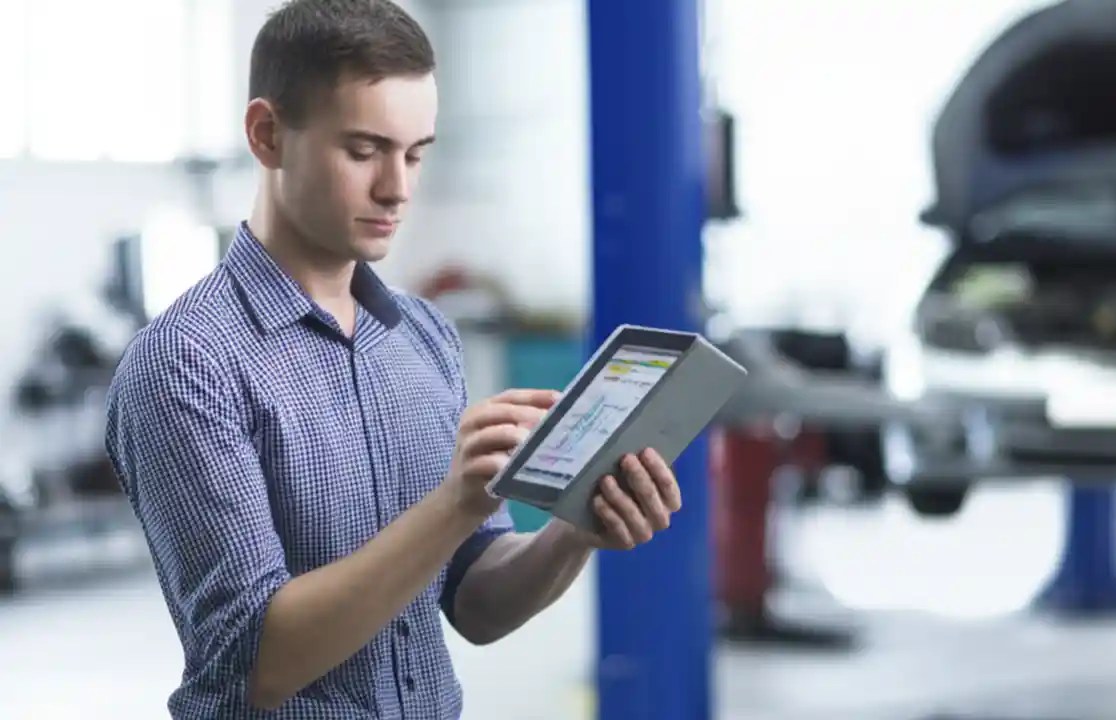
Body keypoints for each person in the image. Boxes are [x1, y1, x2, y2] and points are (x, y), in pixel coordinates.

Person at [103, 1, 682, 717]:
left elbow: (475, 602)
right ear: (268, 134)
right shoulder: (187, 364)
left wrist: (571, 534)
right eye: (363, 150)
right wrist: (455, 505)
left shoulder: (424, 338)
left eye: (414, 153)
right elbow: (255, 661)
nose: (398, 188)